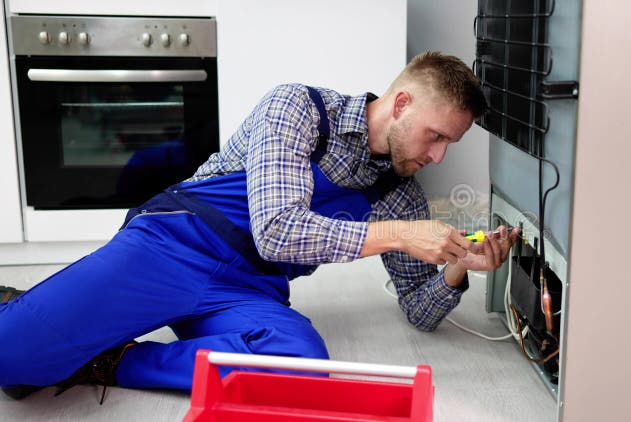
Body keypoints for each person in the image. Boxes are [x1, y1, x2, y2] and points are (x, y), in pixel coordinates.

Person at [0, 51, 520, 400]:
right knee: (12, 358)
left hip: (247, 288)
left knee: (301, 363)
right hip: (172, 244)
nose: (437, 155)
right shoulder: (298, 107)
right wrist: (400, 235)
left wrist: (457, 268)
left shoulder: (399, 195)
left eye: (449, 143)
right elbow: (277, 230)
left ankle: (113, 359)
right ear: (401, 103)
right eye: (436, 136)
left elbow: (419, 310)